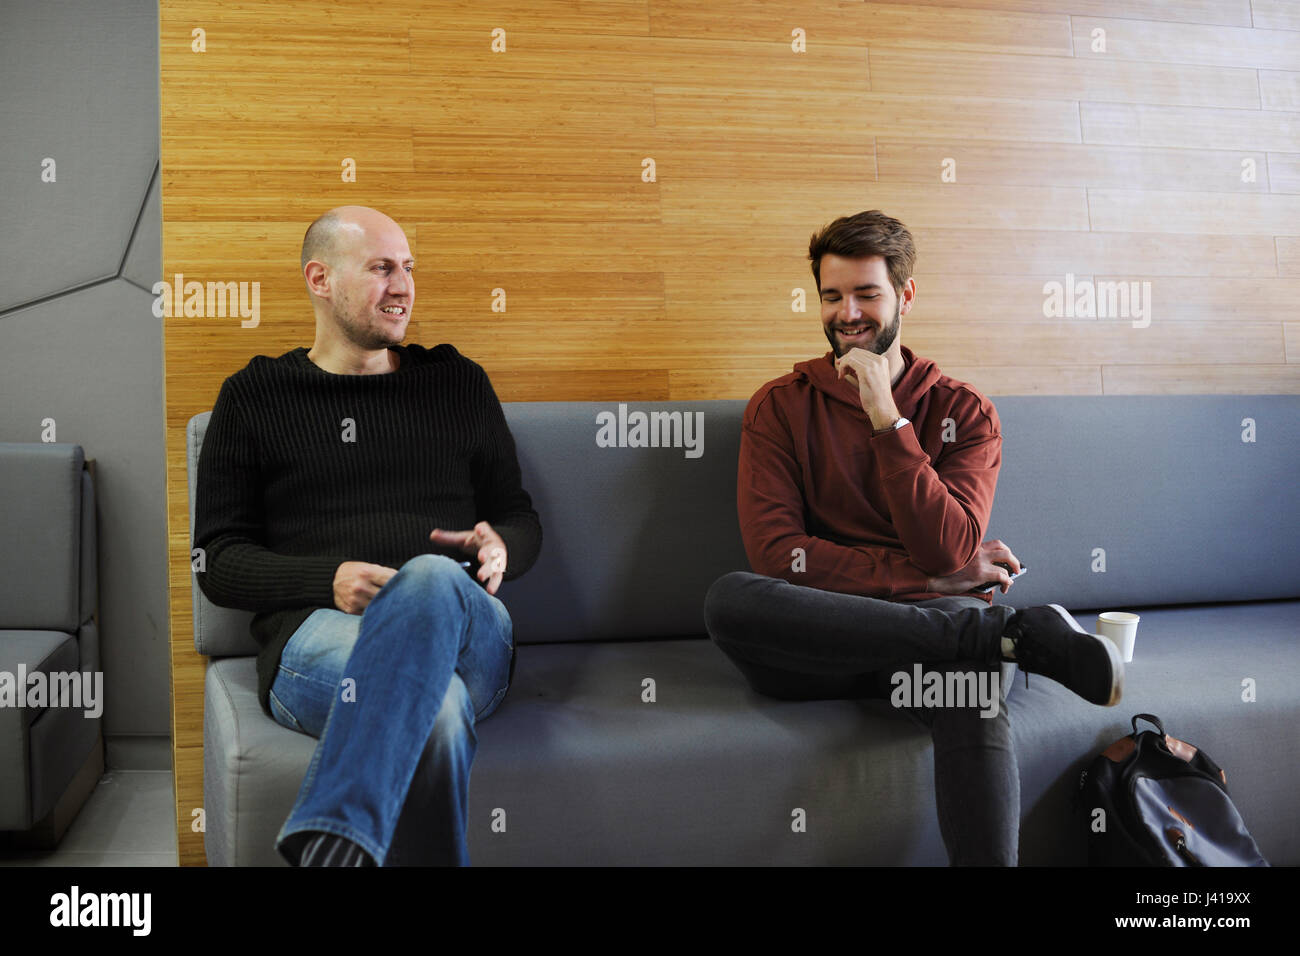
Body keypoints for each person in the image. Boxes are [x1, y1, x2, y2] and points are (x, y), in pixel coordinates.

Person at [703, 209, 1122, 866]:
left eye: (866, 293)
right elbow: (780, 558)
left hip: (928, 656)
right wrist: (929, 582)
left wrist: (886, 417)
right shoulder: (779, 408)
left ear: (905, 295)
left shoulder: (963, 411)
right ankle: (1006, 633)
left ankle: (987, 641)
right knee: (732, 598)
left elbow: (948, 548)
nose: (848, 314)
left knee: (973, 687)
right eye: (832, 295)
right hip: (820, 647)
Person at [193, 205, 541, 866]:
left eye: (408, 268)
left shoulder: (456, 383)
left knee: (432, 573)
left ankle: (331, 829)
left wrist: (503, 547)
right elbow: (219, 560)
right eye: (382, 268)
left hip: (469, 633)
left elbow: (519, 517)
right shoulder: (256, 396)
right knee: (434, 713)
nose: (403, 285)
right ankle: (341, 842)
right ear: (320, 279)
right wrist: (326, 579)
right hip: (321, 632)